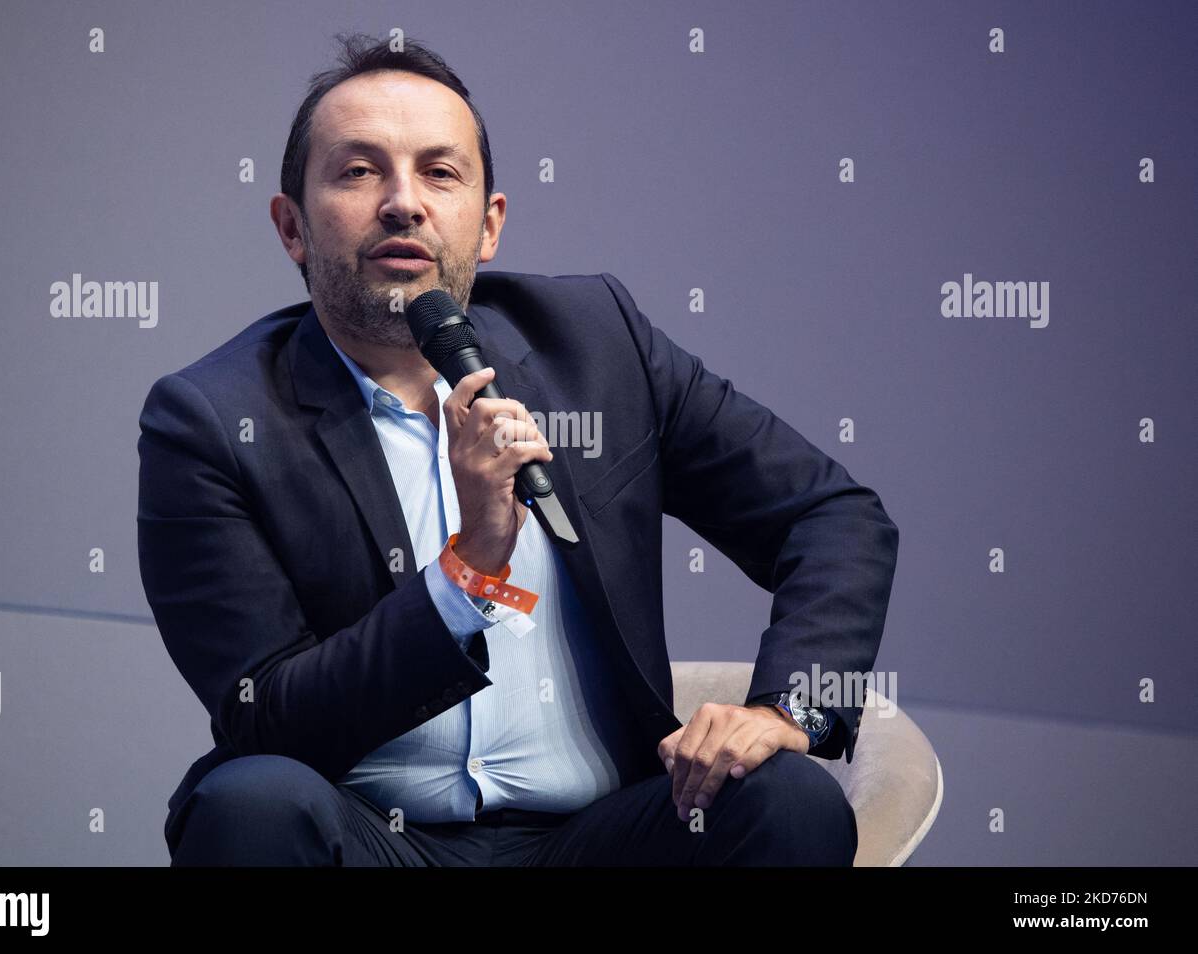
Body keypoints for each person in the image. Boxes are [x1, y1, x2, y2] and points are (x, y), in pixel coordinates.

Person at [137, 33, 899, 866]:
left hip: (602, 840)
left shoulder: (597, 345)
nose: (403, 202)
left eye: (439, 172)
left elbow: (829, 515)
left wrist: (788, 711)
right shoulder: (212, 418)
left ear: (489, 223)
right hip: (369, 838)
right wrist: (467, 569)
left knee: (786, 802)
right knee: (249, 804)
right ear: (291, 226)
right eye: (359, 171)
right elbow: (264, 717)